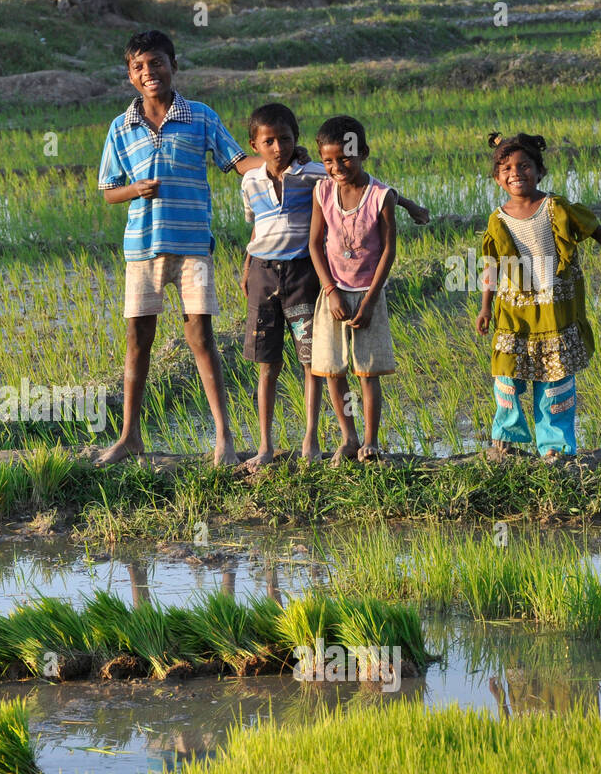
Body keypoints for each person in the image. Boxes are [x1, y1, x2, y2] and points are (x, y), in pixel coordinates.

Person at [94, 29, 262, 468]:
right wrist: (135, 189)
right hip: (142, 248)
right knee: (137, 339)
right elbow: (109, 191)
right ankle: (130, 436)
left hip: (192, 247)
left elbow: (238, 163)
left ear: (173, 64)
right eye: (139, 67)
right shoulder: (121, 126)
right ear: (130, 76)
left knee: (200, 336)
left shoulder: (201, 116)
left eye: (157, 63)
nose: (149, 72)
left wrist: (284, 159)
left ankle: (224, 438)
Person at [239, 103, 428, 468]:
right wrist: (251, 263)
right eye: (269, 141)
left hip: (338, 286)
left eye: (286, 140)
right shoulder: (295, 185)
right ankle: (316, 440)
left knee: (349, 369)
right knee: (307, 367)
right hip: (299, 284)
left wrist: (409, 205)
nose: (338, 167)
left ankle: (348, 440)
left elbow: (384, 219)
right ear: (255, 143)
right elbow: (279, 231)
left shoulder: (329, 180)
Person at [474, 132, 601, 462]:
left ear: (539, 171)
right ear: (497, 178)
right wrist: (485, 306)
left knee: (554, 380)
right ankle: (505, 438)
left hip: (555, 311)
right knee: (506, 374)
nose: (515, 173)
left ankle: (556, 447)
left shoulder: (556, 207)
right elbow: (490, 265)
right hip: (515, 313)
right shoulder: (498, 219)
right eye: (506, 167)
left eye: (524, 165)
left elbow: (596, 230)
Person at [307, 115, 399, 465]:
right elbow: (315, 244)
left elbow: (389, 249)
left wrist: (372, 300)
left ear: (363, 153)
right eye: (328, 160)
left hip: (368, 293)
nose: (337, 167)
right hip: (334, 294)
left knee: (368, 371)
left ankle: (371, 441)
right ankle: (349, 437)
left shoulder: (381, 196)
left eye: (345, 158)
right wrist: (329, 290)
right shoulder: (323, 191)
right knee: (333, 368)